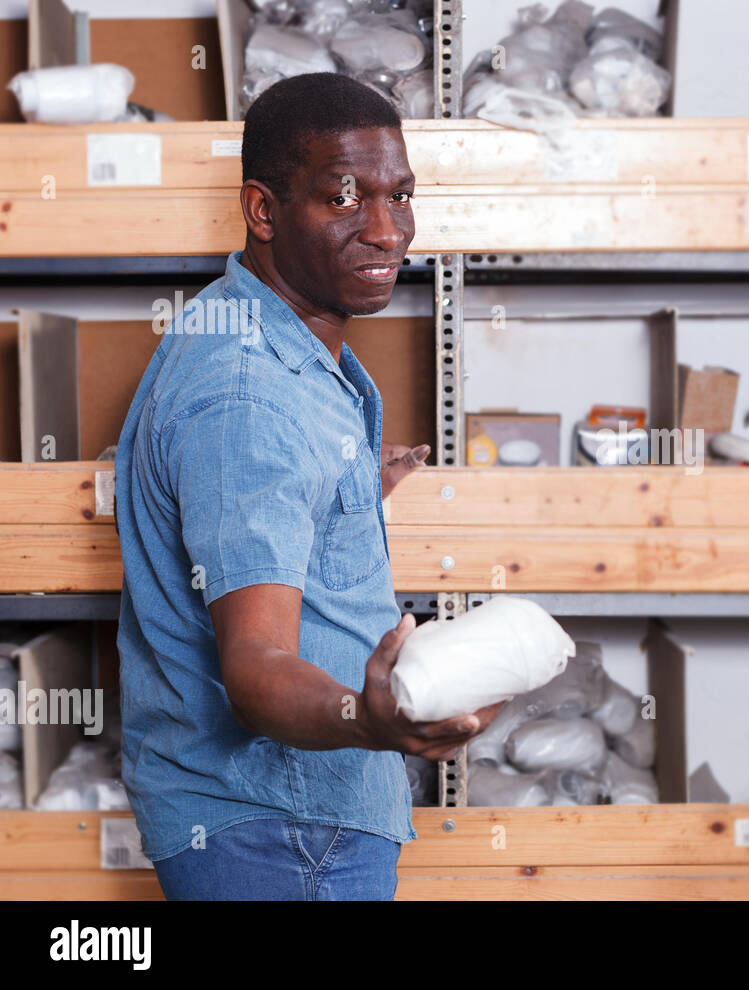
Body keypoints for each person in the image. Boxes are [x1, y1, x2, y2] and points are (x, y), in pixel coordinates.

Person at [114, 73, 500, 901]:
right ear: (263, 210)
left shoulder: (259, 344)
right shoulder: (250, 392)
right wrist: (372, 720)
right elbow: (255, 669)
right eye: (344, 199)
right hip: (286, 832)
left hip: (277, 826)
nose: (387, 230)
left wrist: (343, 495)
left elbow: (252, 501)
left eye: (402, 197)